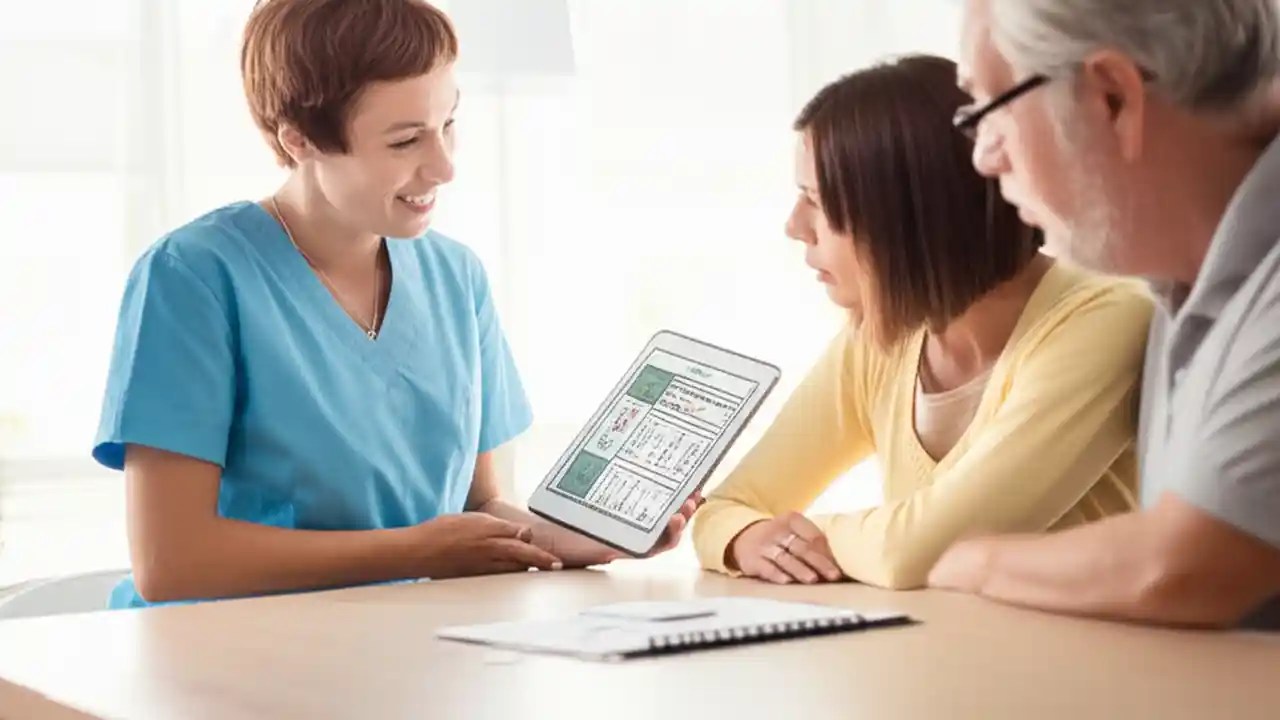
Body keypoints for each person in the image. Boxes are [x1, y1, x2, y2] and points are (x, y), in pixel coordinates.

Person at [92, 0, 694, 609]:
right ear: (297, 138)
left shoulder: (456, 277)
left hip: (406, 642)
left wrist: (572, 538)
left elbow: (478, 507)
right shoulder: (194, 277)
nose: (445, 166)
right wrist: (414, 552)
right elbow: (172, 564)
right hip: (218, 662)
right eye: (406, 140)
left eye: (448, 125)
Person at [691, 55, 1152, 590]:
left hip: (1092, 668)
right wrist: (746, 538)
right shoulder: (884, 338)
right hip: (942, 657)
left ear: (906, 215)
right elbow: (726, 508)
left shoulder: (1103, 321)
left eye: (817, 201)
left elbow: (918, 550)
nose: (795, 227)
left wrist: (794, 536)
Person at [929, 0, 1280, 630]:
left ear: (1111, 97)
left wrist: (975, 563)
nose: (985, 157)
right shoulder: (1182, 277)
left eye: (991, 111)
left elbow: (1187, 564)